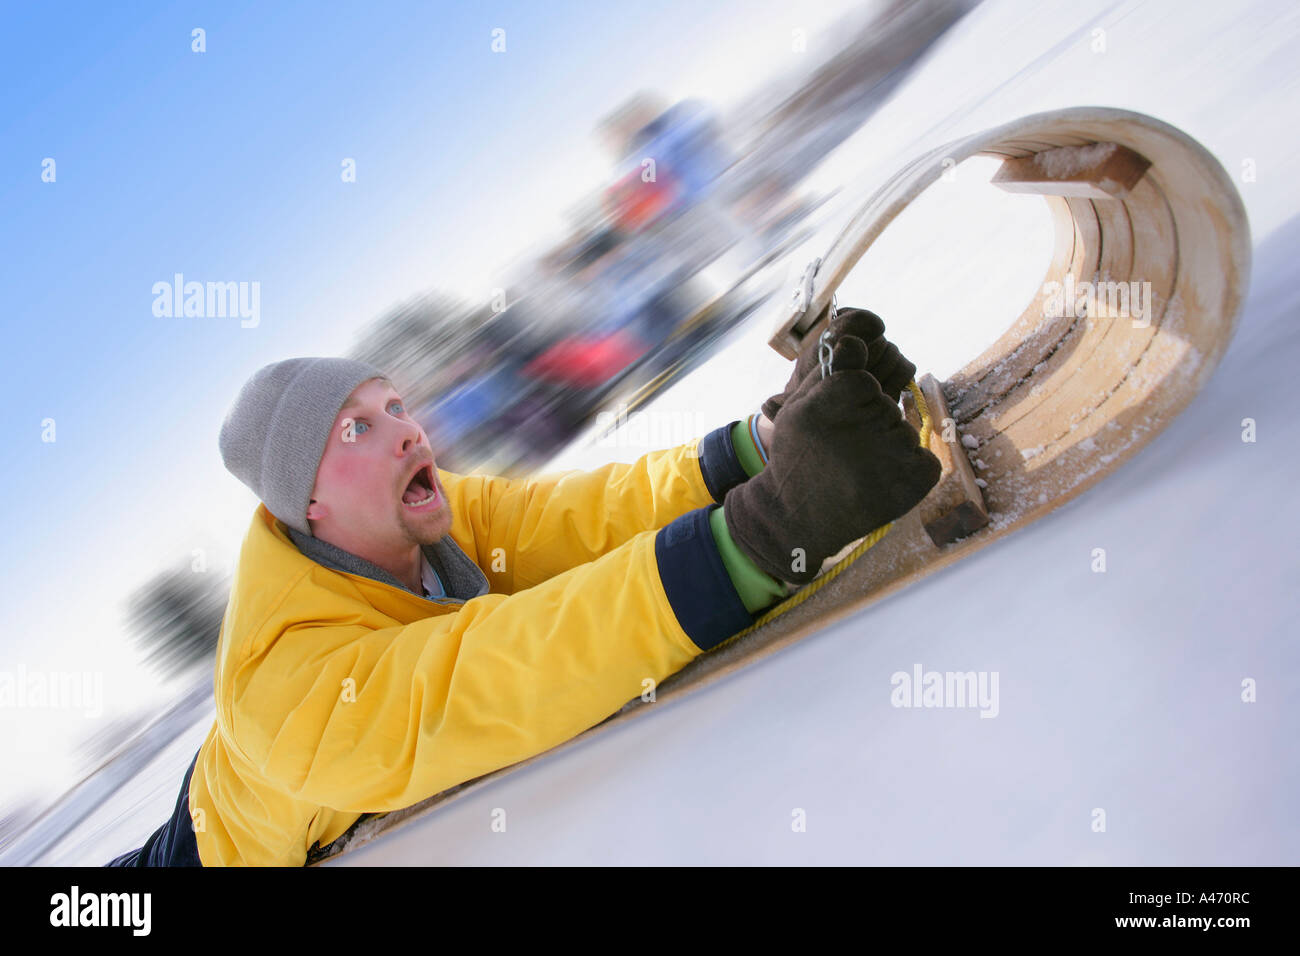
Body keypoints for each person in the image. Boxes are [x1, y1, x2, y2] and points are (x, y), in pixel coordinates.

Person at [105, 307, 939, 866]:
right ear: (308, 503)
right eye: (358, 429)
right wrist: (766, 533)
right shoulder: (284, 693)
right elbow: (501, 674)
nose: (404, 432)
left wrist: (758, 445)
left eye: (395, 405)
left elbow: (572, 520)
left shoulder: (430, 510)